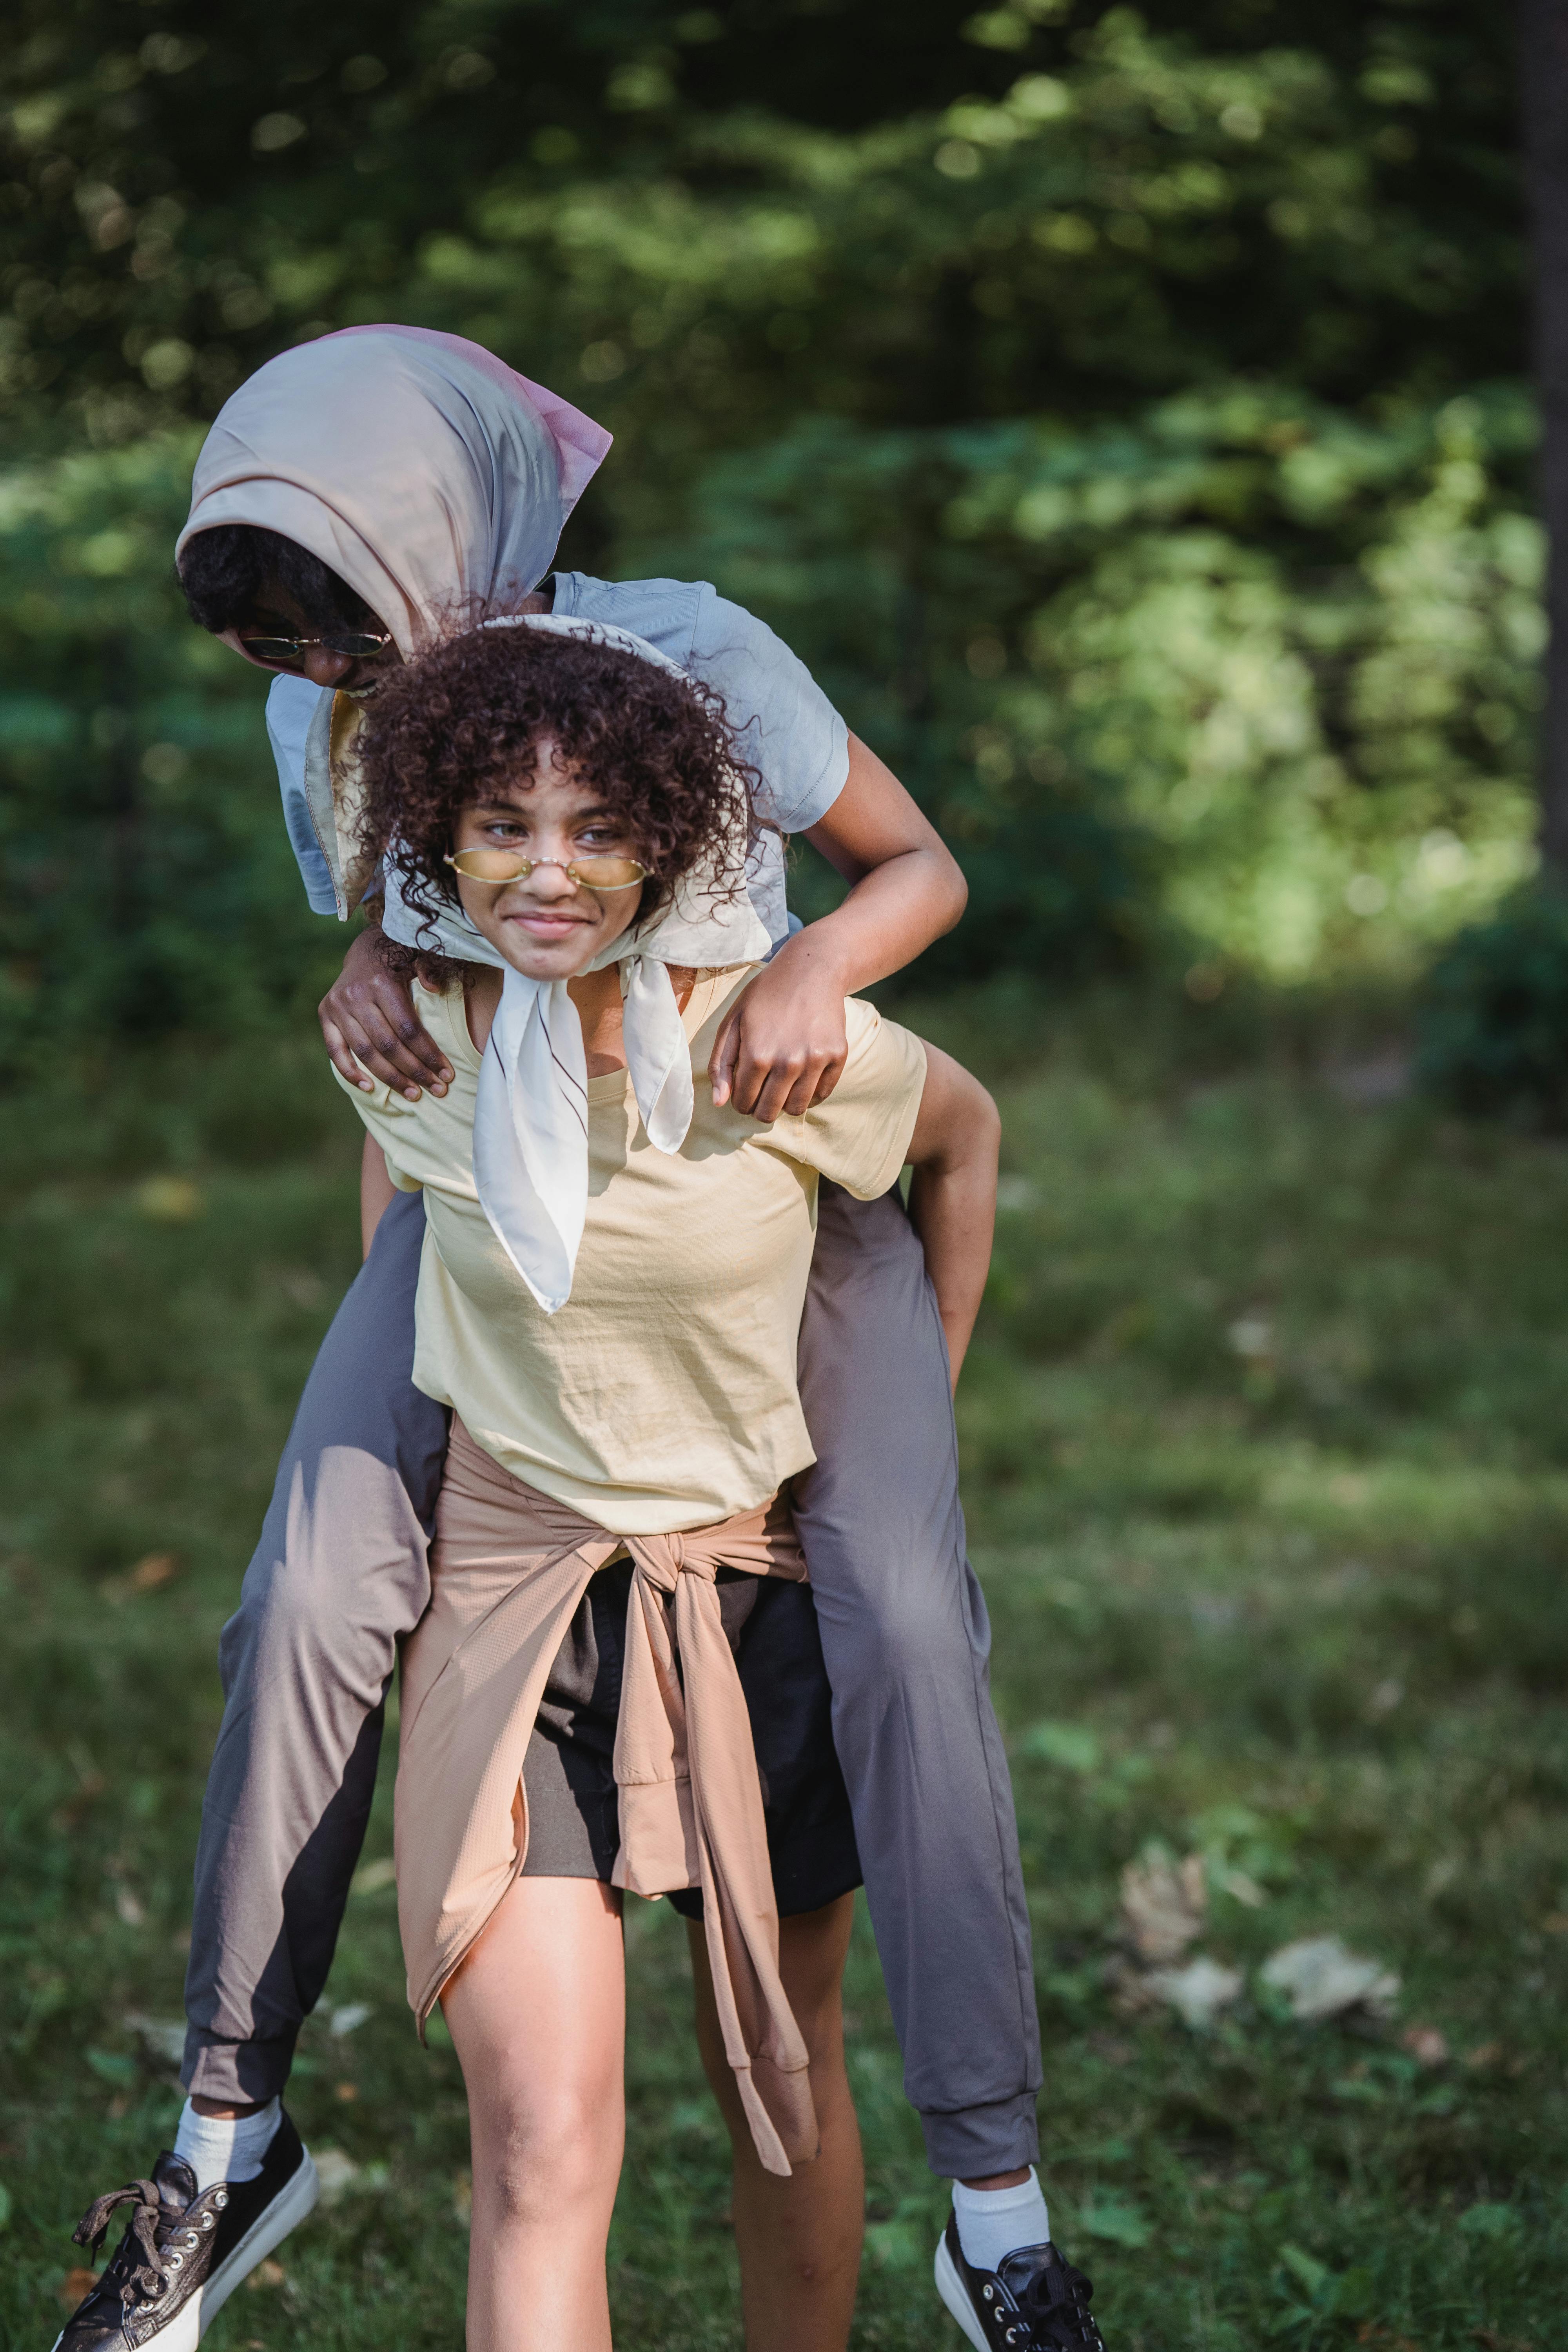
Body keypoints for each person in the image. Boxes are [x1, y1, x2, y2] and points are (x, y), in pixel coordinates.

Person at [56, 327, 1103, 2352]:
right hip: (501, 1186)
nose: (322, 677)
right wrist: (371, 952)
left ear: (449, 536)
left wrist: (804, 965)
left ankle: (1003, 2211)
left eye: (347, 625)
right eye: (280, 642)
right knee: (306, 1592)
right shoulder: (329, 716)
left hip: (762, 1156)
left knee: (896, 1599)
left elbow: (923, 873)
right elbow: (412, 909)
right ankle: (222, 2138)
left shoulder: (695, 661)